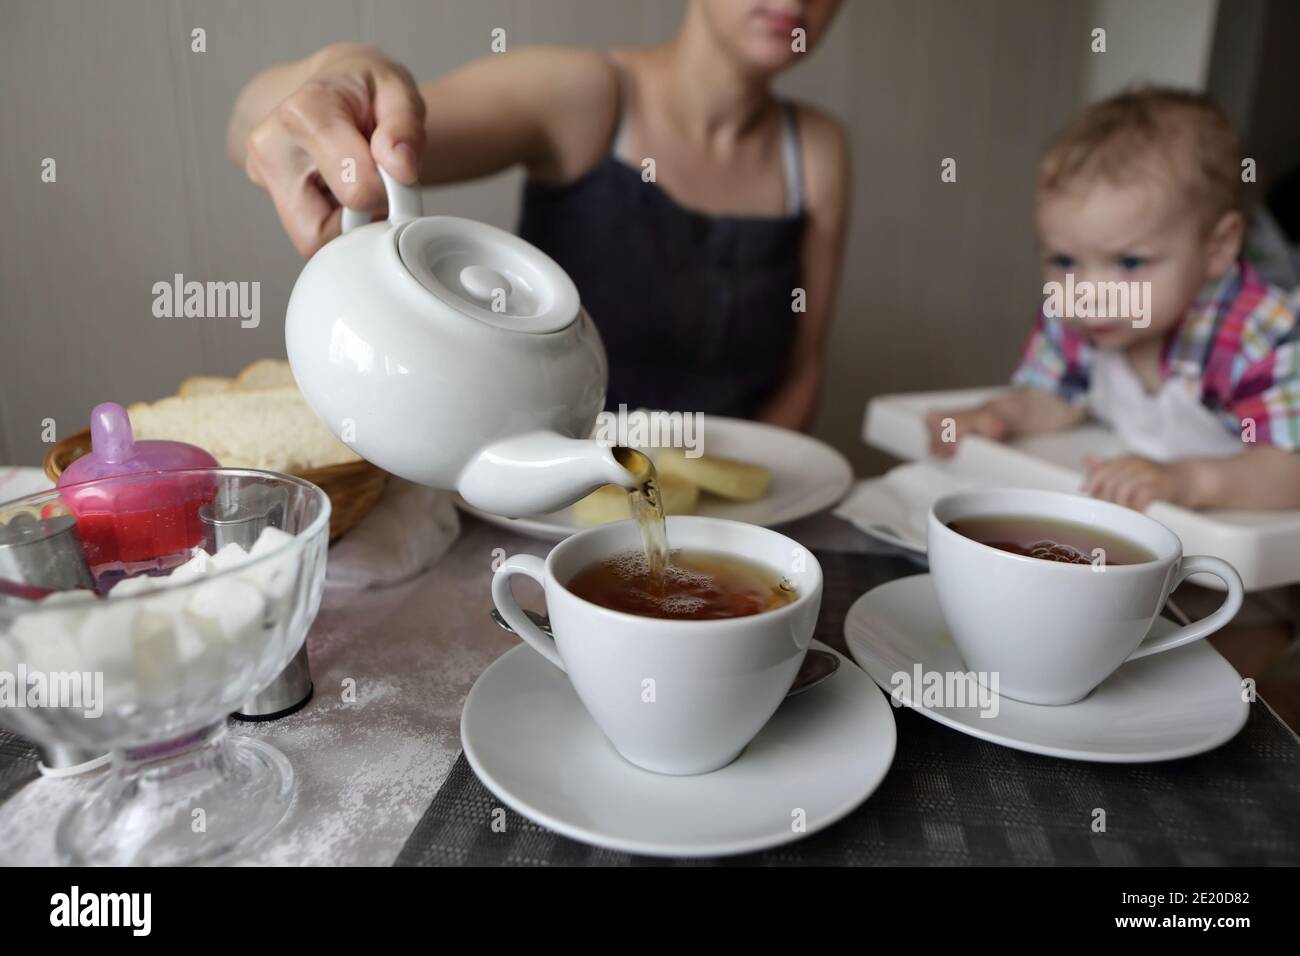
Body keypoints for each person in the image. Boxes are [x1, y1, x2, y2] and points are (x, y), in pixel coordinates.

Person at [227, 0, 849, 429]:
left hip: (736, 529)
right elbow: (266, 118)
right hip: (549, 520)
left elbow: (804, 370)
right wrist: (336, 74)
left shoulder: (817, 151)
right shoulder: (585, 95)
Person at [926, 87, 1300, 513]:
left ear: (1216, 248)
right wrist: (996, 416)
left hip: (1240, 564)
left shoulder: (1258, 334)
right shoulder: (1075, 317)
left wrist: (1186, 481)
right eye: (1065, 260)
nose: (1090, 294)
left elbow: (1290, 473)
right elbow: (1054, 400)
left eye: (1129, 262)